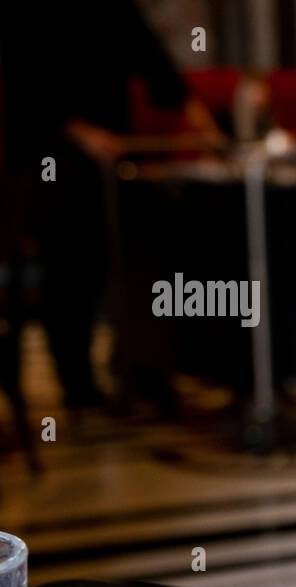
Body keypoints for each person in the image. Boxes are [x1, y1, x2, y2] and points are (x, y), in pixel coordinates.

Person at [0, 0, 220, 413]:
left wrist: (204, 126)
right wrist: (79, 132)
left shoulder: (113, 9)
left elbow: (158, 69)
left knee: (120, 262)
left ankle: (141, 371)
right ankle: (77, 383)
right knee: (69, 273)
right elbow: (24, 84)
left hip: (112, 161)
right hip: (49, 162)